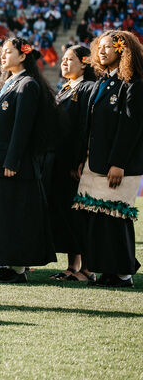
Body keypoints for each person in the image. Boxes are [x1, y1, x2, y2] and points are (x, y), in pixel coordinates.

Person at [0, 37, 57, 283]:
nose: (3, 56)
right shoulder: (8, 82)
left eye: (9, 52)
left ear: (23, 55)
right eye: (3, 52)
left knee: (15, 217)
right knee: (2, 217)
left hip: (14, 167)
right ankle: (7, 264)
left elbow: (22, 128)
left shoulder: (28, 84)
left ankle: (17, 269)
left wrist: (12, 161)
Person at [73, 31, 143, 287]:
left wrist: (118, 163)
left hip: (119, 166)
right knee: (99, 220)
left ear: (123, 50)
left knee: (116, 218)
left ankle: (123, 274)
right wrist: (82, 158)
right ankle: (108, 271)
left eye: (107, 47)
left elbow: (130, 128)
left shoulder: (133, 83)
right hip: (95, 162)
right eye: (99, 47)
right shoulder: (103, 81)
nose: (101, 51)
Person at [47, 45, 96, 282]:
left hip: (76, 163)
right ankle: (72, 266)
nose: (64, 63)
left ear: (84, 63)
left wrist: (82, 159)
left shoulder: (88, 87)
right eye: (63, 59)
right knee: (66, 213)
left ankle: (87, 269)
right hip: (60, 160)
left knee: (80, 213)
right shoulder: (66, 87)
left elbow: (86, 127)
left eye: (69, 59)